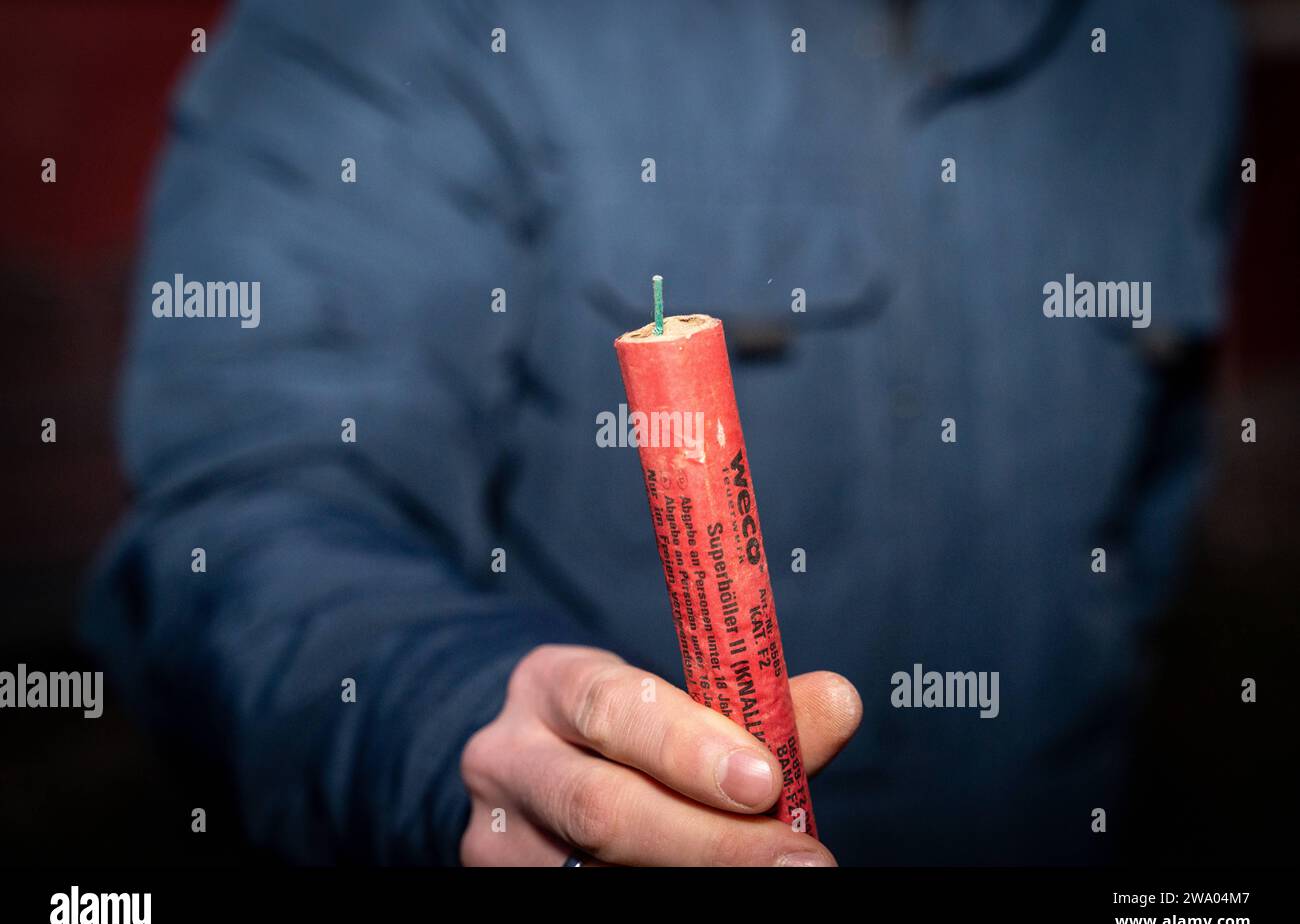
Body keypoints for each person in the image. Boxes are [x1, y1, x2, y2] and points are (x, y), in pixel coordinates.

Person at [84, 0, 1240, 865]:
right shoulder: (406, 26)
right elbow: (246, 513)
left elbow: (1145, 506)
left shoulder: (1162, 33)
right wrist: (454, 723)